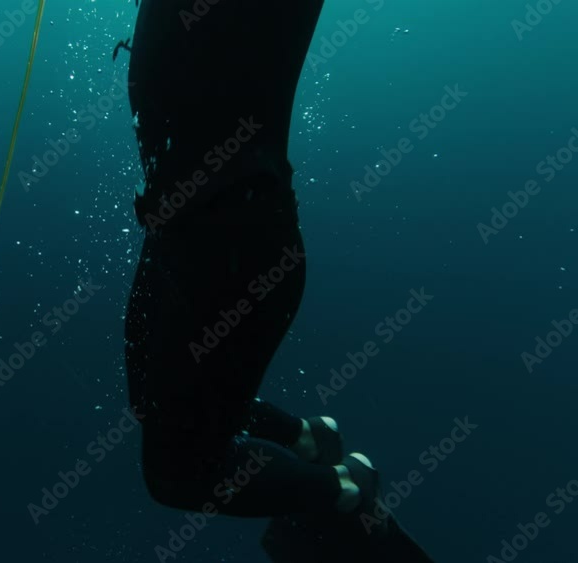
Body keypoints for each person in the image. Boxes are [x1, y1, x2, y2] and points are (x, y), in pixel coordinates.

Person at [121, 0, 386, 533]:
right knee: (147, 401)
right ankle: (306, 438)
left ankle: (346, 491)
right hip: (185, 240)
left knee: (177, 474)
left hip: (233, 249)